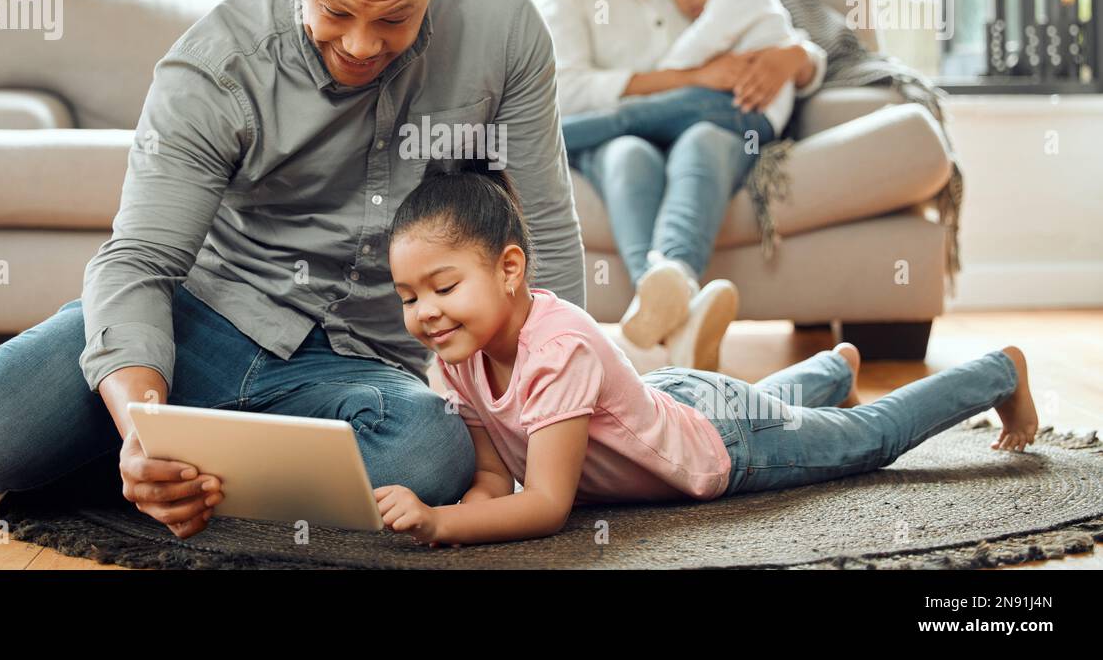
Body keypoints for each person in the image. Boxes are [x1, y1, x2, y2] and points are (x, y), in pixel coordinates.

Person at [0, 0, 585, 540]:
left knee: (431, 457)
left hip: (358, 362)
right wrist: (145, 425)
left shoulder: (503, 30)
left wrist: (566, 395)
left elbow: (542, 220)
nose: (360, 44)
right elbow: (140, 262)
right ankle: (25, 443)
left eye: (394, 19)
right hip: (201, 322)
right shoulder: (218, 67)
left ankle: (99, 463)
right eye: (337, 12)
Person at [376, 165, 1040, 547]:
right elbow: (495, 481)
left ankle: (998, 369)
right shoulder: (458, 354)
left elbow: (548, 502)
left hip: (725, 446)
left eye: (443, 287)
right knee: (765, 407)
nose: (425, 312)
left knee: (869, 438)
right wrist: (456, 509)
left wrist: (442, 522)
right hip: (672, 402)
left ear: (511, 268)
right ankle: (833, 368)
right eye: (408, 296)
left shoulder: (557, 348)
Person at [533, 0, 829, 364]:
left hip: (712, 125)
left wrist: (795, 57)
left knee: (707, 142)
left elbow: (782, 32)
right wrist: (693, 79)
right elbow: (570, 87)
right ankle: (675, 308)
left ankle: (669, 297)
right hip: (624, 134)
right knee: (627, 152)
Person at [560, 0, 803, 157]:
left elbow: (698, 44)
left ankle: (543, 140)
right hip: (746, 114)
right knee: (639, 120)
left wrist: (669, 75)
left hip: (748, 111)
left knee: (631, 116)